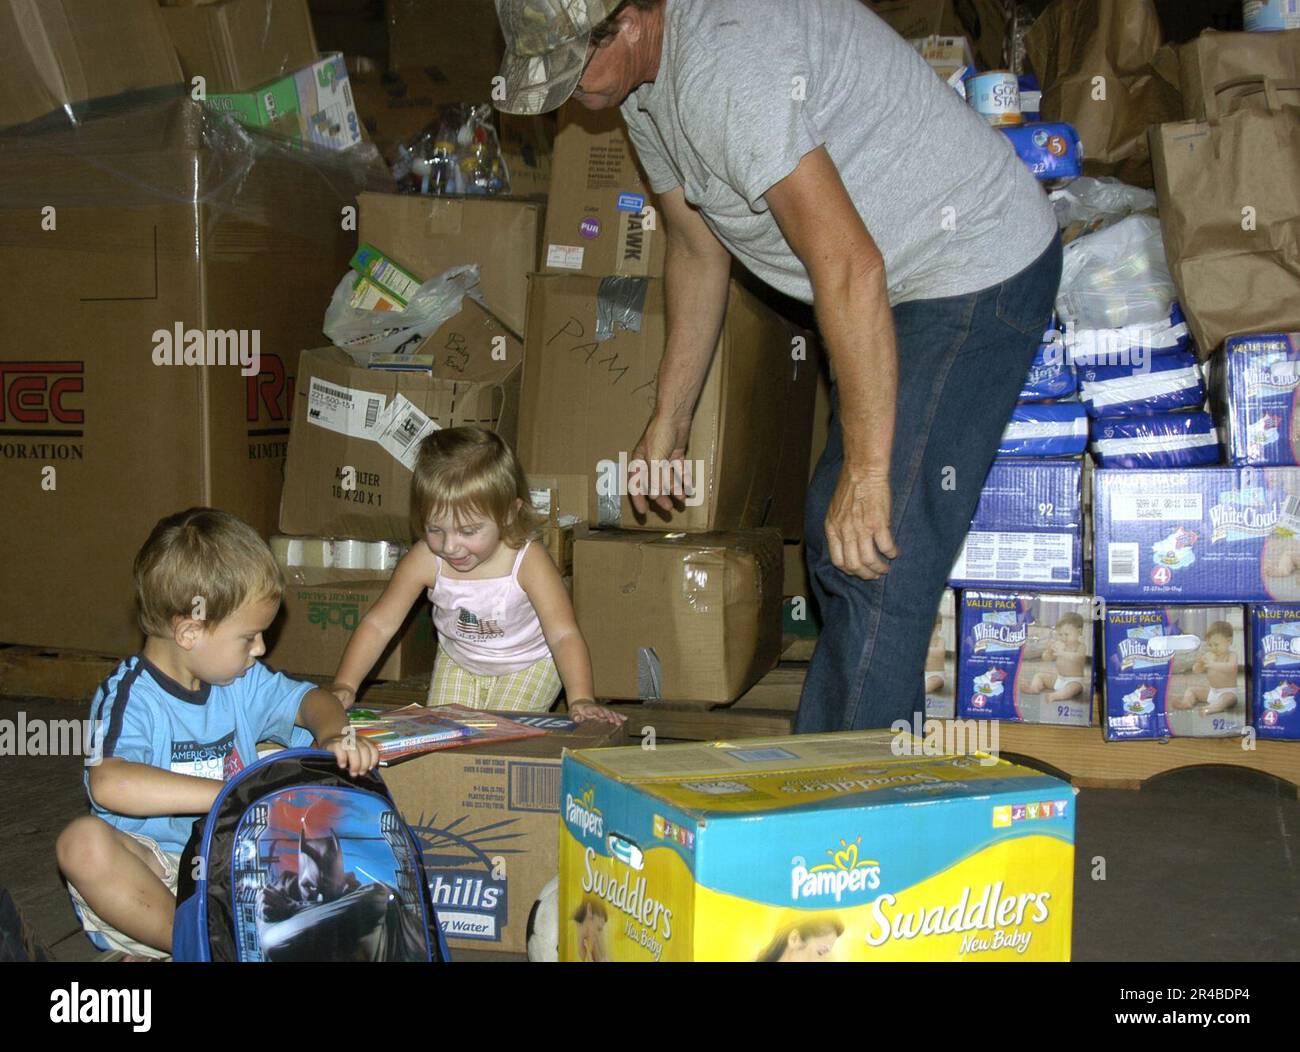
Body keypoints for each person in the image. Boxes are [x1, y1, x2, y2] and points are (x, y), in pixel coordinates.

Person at [494, 0, 1062, 732]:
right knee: (838, 535)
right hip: (887, 278)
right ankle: (885, 770)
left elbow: (850, 267)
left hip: (970, 266)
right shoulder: (641, 90)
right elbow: (697, 247)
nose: (574, 93)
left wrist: (868, 473)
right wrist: (668, 417)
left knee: (874, 554)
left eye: (577, 68)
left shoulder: (730, 67)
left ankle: (843, 818)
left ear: (632, 16)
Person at [55, 508, 376, 960]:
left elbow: (313, 701)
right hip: (155, 878)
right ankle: (193, 945)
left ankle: (214, 943)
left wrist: (336, 736)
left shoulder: (243, 681)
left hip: (237, 866)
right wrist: (229, 792)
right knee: (81, 844)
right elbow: (108, 782)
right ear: (189, 631)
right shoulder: (130, 696)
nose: (261, 649)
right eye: (249, 638)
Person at [330, 427, 625, 723]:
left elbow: (562, 635)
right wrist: (345, 683)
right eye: (435, 529)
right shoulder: (424, 559)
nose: (450, 546)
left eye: (468, 531)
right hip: (459, 660)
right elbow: (380, 624)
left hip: (529, 663)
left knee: (497, 735)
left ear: (509, 514)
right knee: (441, 733)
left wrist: (581, 698)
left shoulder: (528, 561)